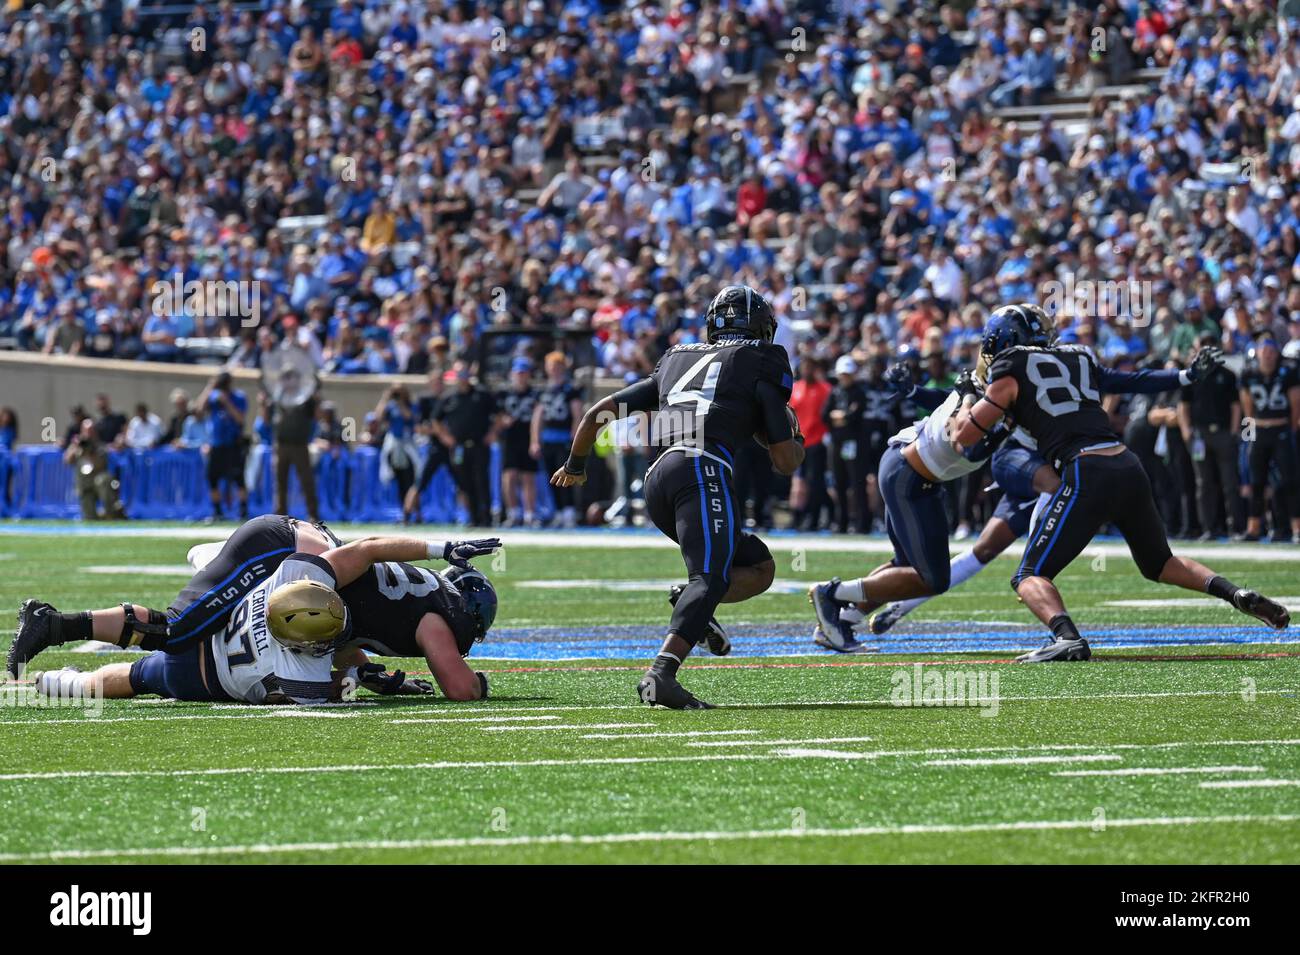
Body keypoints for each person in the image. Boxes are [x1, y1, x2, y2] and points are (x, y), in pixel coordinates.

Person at [863, 306, 1227, 638]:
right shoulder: (1015, 369)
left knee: (984, 550)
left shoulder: (1029, 365)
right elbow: (961, 400)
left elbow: (1121, 380)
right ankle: (1036, 572)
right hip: (1021, 460)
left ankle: (900, 604)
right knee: (1052, 494)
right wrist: (1183, 376)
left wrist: (1183, 376)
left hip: (1041, 464)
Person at [951, 309, 1289, 662]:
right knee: (1159, 562)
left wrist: (967, 397)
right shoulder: (1078, 356)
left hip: (1085, 469)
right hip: (1126, 463)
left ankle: (1066, 637)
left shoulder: (1009, 367)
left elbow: (966, 437)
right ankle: (1234, 593)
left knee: (1029, 574)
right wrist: (1186, 375)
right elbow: (1134, 380)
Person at [551, 285, 804, 709]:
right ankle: (661, 675)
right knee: (710, 578)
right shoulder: (763, 360)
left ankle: (694, 608)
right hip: (702, 470)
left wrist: (576, 466)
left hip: (659, 478)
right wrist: (791, 433)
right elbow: (786, 461)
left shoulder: (677, 357)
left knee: (758, 567)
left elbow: (598, 414)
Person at [31, 535, 499, 705]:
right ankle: (60, 680)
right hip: (212, 674)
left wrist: (359, 674)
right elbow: (304, 689)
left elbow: (363, 552)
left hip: (246, 607)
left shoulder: (296, 579)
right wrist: (356, 679)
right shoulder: (305, 672)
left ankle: (57, 679)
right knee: (152, 659)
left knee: (158, 652)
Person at [1237, 332, 1300, 543]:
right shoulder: (1248, 373)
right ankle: (1253, 528)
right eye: (1264, 351)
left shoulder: (1288, 371)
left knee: (1291, 481)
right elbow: (1247, 409)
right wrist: (1250, 435)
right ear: (1258, 353)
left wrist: (1290, 429)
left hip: (1281, 429)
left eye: (1271, 351)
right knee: (1256, 482)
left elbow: (1295, 405)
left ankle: (1297, 528)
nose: (1268, 355)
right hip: (1259, 431)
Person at [1179, 333, 1242, 540]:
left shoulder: (1228, 374)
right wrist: (1187, 431)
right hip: (1199, 435)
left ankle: (1234, 528)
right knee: (1203, 483)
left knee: (1230, 482)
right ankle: (1208, 528)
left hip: (1223, 432)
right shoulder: (1191, 376)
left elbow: (1235, 406)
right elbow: (1183, 406)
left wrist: (1234, 431)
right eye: (1202, 345)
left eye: (1210, 346)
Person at [433, 367, 498, 527]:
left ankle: (486, 518)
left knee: (481, 480)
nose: (462, 379)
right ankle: (473, 517)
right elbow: (435, 419)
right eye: (459, 375)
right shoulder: (449, 398)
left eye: (465, 375)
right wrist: (445, 437)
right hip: (459, 447)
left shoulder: (482, 395)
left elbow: (499, 414)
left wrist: (493, 433)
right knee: (464, 482)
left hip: (479, 445)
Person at [533, 351, 584, 527]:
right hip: (548, 439)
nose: (554, 370)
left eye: (557, 366)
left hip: (563, 438)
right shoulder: (544, 390)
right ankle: (559, 511)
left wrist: (575, 437)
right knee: (551, 477)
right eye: (551, 367)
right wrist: (535, 440)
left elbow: (578, 414)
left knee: (566, 476)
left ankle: (569, 511)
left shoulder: (570, 389)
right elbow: (537, 417)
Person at [823, 355, 869, 533]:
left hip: (854, 443)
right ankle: (840, 522)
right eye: (843, 374)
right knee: (839, 483)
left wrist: (840, 416)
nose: (845, 378)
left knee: (857, 483)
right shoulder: (835, 392)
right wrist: (842, 416)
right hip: (836, 443)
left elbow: (854, 417)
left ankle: (862, 523)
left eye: (848, 374)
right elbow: (825, 415)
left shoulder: (859, 393)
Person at [196, 371, 248, 521]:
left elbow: (240, 419)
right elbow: (199, 410)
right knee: (212, 478)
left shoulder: (238, 397)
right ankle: (217, 511)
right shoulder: (213, 397)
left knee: (238, 478)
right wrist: (209, 387)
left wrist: (226, 402)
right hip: (216, 444)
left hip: (233, 443)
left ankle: (243, 510)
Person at [789, 357, 832, 530]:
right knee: (799, 483)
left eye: (810, 367)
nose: (807, 370)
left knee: (815, 482)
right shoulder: (795, 389)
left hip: (817, 443)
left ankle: (814, 518)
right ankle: (799, 518)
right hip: (799, 443)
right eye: (805, 367)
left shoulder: (825, 389)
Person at [496, 357, 540, 526]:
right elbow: (496, 415)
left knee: (528, 476)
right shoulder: (505, 394)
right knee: (509, 476)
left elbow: (538, 416)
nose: (521, 377)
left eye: (524, 373)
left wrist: (535, 440)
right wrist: (503, 421)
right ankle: (513, 513)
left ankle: (530, 513)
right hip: (510, 438)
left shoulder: (534, 394)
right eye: (518, 373)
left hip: (527, 436)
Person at [63, 418, 126, 521]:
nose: (88, 434)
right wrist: (76, 447)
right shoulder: (78, 446)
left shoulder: (100, 446)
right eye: (86, 431)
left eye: (91, 431)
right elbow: (67, 461)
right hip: (85, 486)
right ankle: (104, 515)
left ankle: (111, 512)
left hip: (99, 483)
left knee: (104, 480)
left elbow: (99, 464)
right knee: (90, 518)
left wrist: (90, 453)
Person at [375, 383, 418, 522]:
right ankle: (405, 513)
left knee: (411, 480)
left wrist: (400, 402)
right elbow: (378, 417)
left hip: (408, 446)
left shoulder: (410, 405)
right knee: (399, 481)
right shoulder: (391, 406)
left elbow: (408, 416)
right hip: (394, 447)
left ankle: (416, 512)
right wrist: (385, 398)